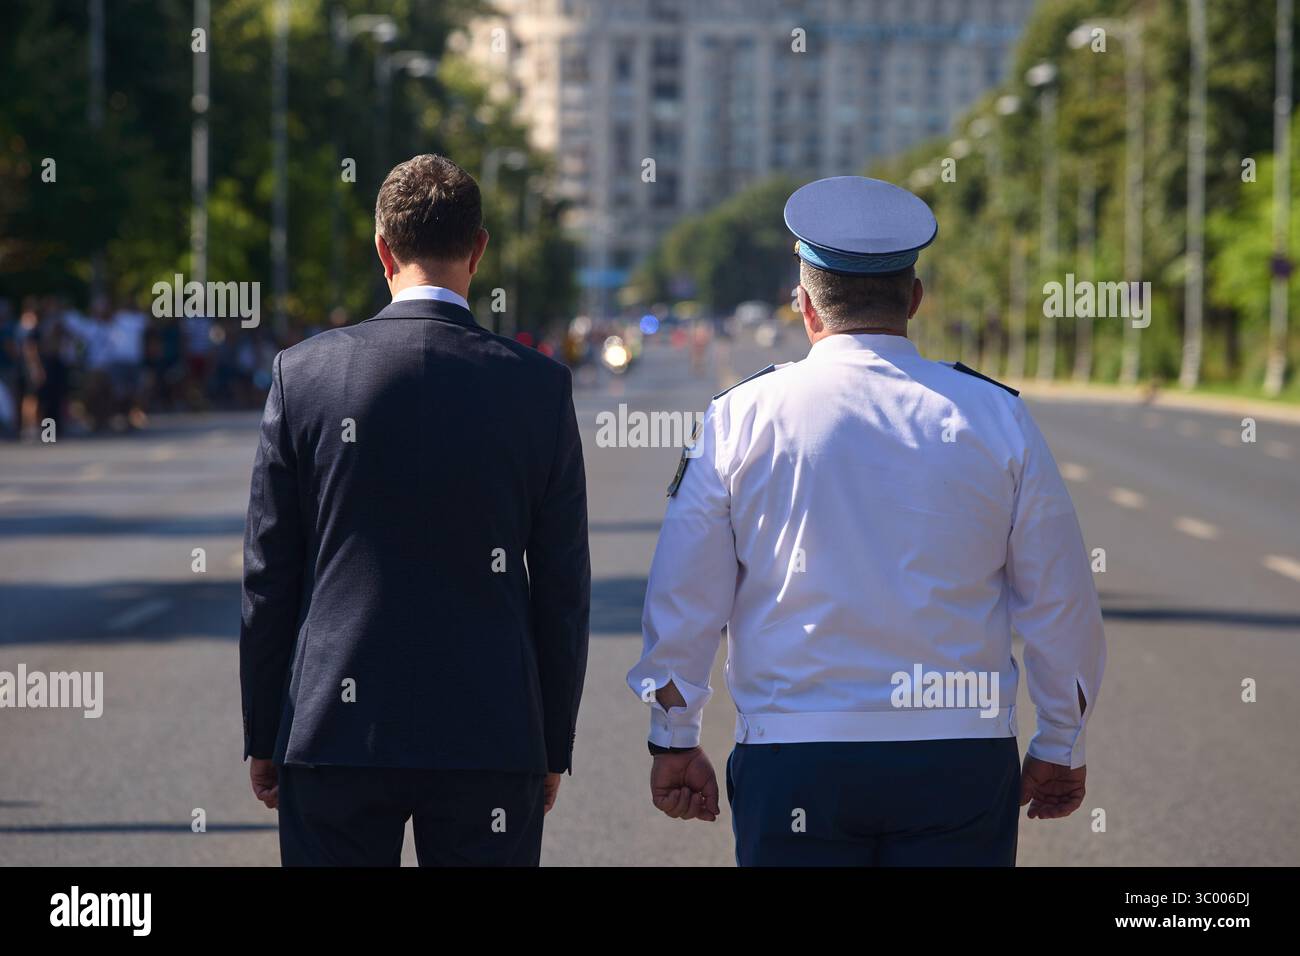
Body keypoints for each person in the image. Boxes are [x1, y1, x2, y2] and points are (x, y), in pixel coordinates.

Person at [627, 176, 1106, 866]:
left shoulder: (740, 416)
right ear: (914, 300)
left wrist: (675, 738)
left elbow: (684, 597)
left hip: (795, 758)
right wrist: (1061, 742)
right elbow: (1061, 601)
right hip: (958, 761)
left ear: (805, 306)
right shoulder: (996, 415)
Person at [240, 154, 590, 867]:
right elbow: (562, 588)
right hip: (490, 732)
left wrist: (265, 730)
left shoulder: (302, 374)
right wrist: (550, 740)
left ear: (382, 249)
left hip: (333, 730)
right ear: (480, 250)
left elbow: (269, 574)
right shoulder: (539, 388)